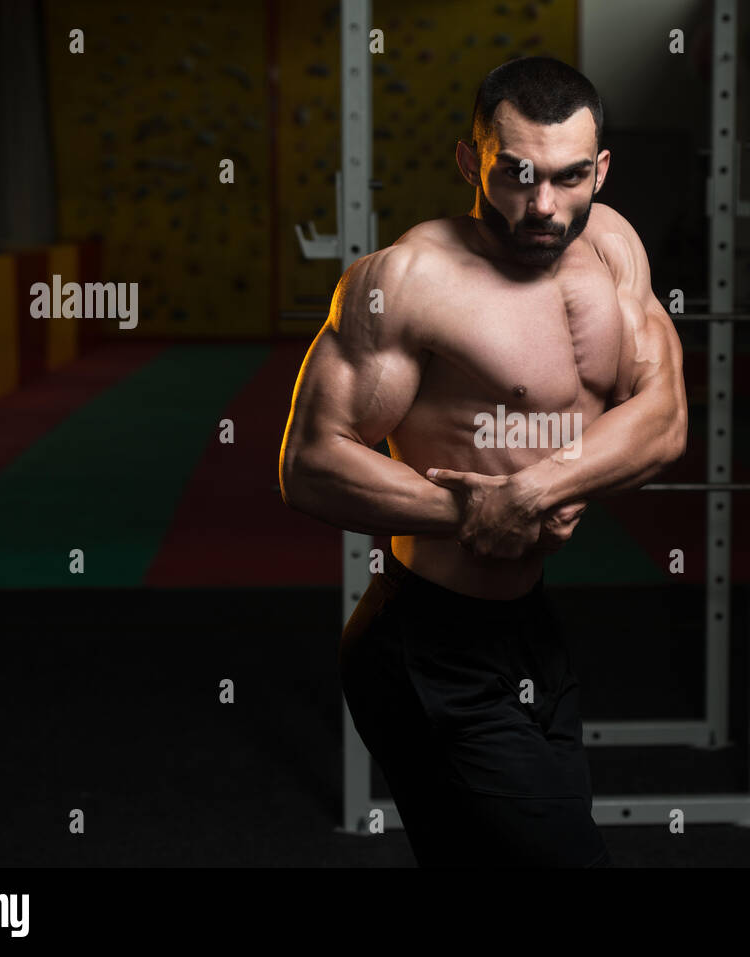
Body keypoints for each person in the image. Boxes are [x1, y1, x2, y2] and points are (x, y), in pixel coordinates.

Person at [280, 55, 687, 867]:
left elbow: (665, 417)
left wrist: (536, 490)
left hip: (530, 630)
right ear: (473, 162)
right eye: (519, 175)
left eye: (571, 177)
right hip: (426, 641)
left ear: (601, 169)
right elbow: (309, 461)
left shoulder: (611, 248)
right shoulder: (406, 281)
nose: (544, 205)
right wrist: (468, 513)